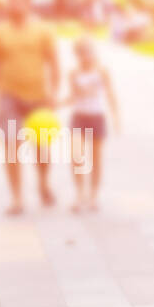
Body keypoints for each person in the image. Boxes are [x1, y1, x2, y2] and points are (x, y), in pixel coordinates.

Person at [0, 0, 60, 214]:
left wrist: (54, 94)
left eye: (18, 1)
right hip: (9, 96)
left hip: (38, 97)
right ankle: (17, 197)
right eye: (10, 1)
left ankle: (43, 183)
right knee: (10, 146)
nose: (13, 5)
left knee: (41, 148)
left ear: (28, 3)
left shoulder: (43, 30)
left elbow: (54, 63)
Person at [64, 37, 119, 213]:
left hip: (96, 117)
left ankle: (94, 194)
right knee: (77, 156)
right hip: (79, 117)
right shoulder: (73, 73)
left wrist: (116, 117)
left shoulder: (102, 71)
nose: (86, 56)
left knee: (96, 159)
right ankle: (79, 193)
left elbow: (110, 94)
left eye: (89, 52)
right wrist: (56, 104)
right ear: (77, 55)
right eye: (82, 53)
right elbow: (72, 96)